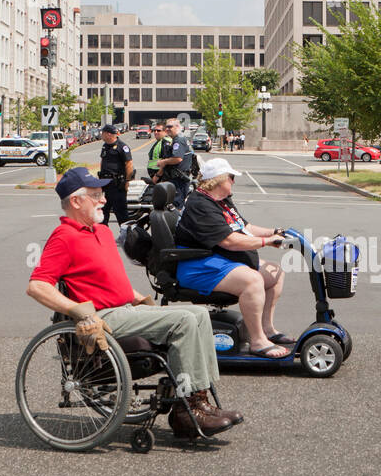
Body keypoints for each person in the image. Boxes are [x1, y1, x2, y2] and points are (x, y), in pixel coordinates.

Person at [26, 166, 242, 439]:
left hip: (125, 309)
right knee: (184, 320)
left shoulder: (102, 232)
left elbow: (106, 277)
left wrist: (136, 296)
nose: (104, 199)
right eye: (96, 195)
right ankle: (187, 411)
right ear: (76, 201)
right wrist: (75, 310)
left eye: (101, 193)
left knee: (198, 313)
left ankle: (199, 400)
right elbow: (37, 286)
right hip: (105, 317)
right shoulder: (64, 237)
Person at [174, 157, 291, 359]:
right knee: (253, 280)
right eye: (231, 177)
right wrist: (268, 242)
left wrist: (276, 231)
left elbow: (245, 228)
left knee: (275, 273)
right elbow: (229, 241)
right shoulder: (200, 204)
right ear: (218, 180)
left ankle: (267, 329)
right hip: (197, 265)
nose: (233, 181)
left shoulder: (221, 201)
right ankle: (257, 341)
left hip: (217, 260)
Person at [155, 117, 195, 208]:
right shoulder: (178, 138)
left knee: (176, 207)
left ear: (177, 127)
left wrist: (164, 162)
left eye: (170, 127)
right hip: (177, 179)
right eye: (166, 127)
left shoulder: (179, 140)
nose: (167, 129)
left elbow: (177, 158)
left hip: (179, 180)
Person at [97, 124, 134, 225]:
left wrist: (127, 181)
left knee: (121, 213)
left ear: (108, 134)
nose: (101, 135)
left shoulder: (122, 147)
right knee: (103, 212)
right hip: (105, 184)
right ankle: (103, 236)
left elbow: (129, 164)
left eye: (103, 133)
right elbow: (102, 161)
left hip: (117, 184)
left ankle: (127, 236)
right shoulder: (105, 146)